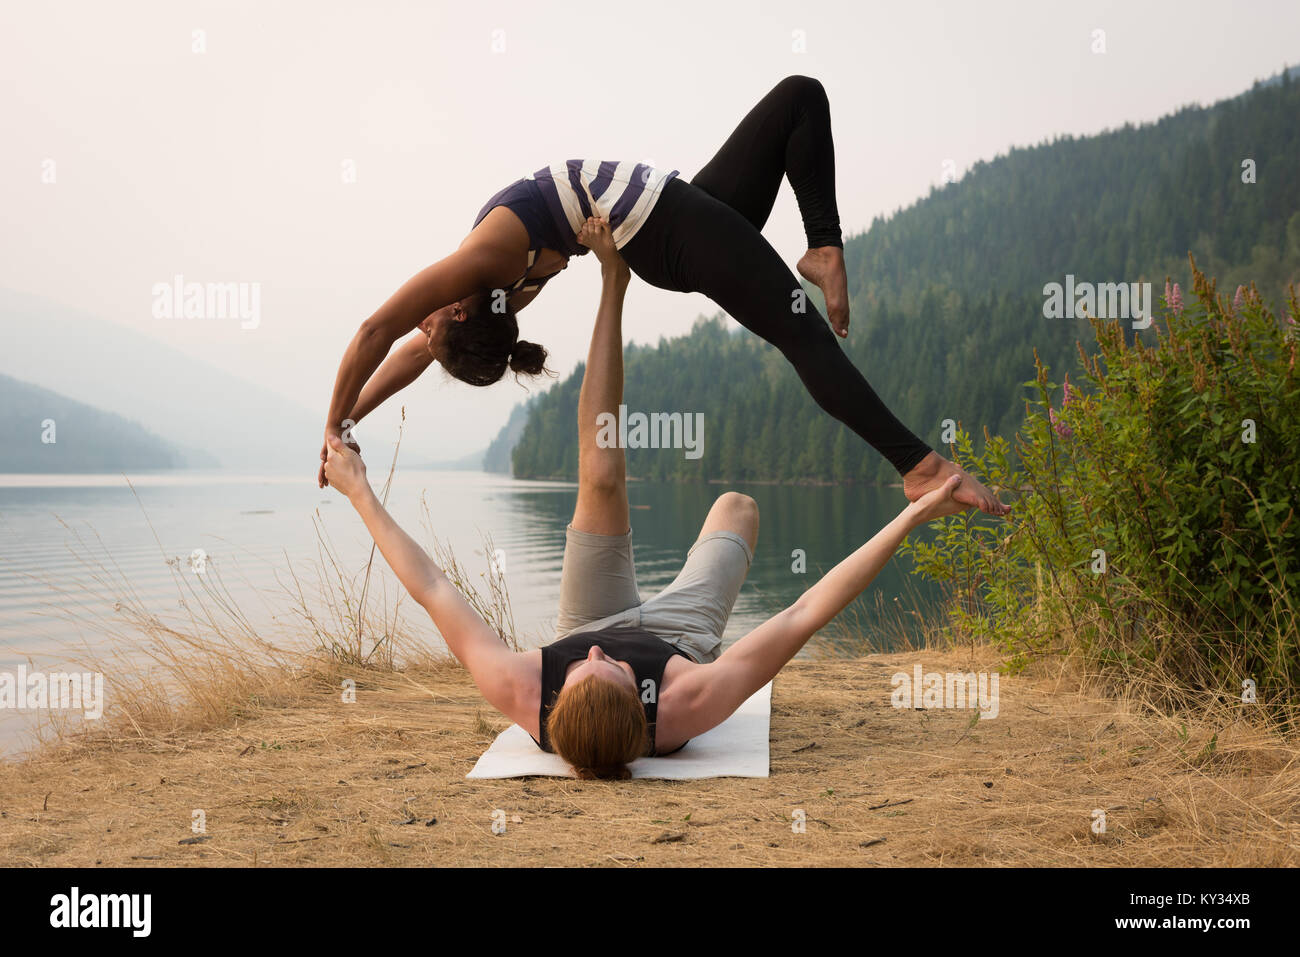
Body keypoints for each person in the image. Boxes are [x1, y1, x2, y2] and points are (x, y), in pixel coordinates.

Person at [323, 216, 968, 780]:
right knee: (738, 507)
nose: (599, 651)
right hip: (680, 638)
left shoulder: (522, 687)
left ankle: (617, 280)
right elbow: (803, 613)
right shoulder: (689, 701)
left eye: (583, 667)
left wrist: (359, 492)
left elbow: (432, 587)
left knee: (600, 472)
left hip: (588, 607)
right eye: (612, 669)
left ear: (553, 702)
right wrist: (912, 514)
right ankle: (640, 274)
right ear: (642, 705)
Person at [318, 75, 1009, 516]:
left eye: (432, 325)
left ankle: (823, 246)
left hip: (681, 206)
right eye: (436, 325)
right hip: (667, 233)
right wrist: (336, 423)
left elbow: (397, 343)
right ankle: (919, 465)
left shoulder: (491, 285)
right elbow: (385, 334)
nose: (424, 321)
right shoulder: (487, 271)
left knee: (801, 99)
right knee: (801, 334)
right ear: (464, 313)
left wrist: (345, 421)